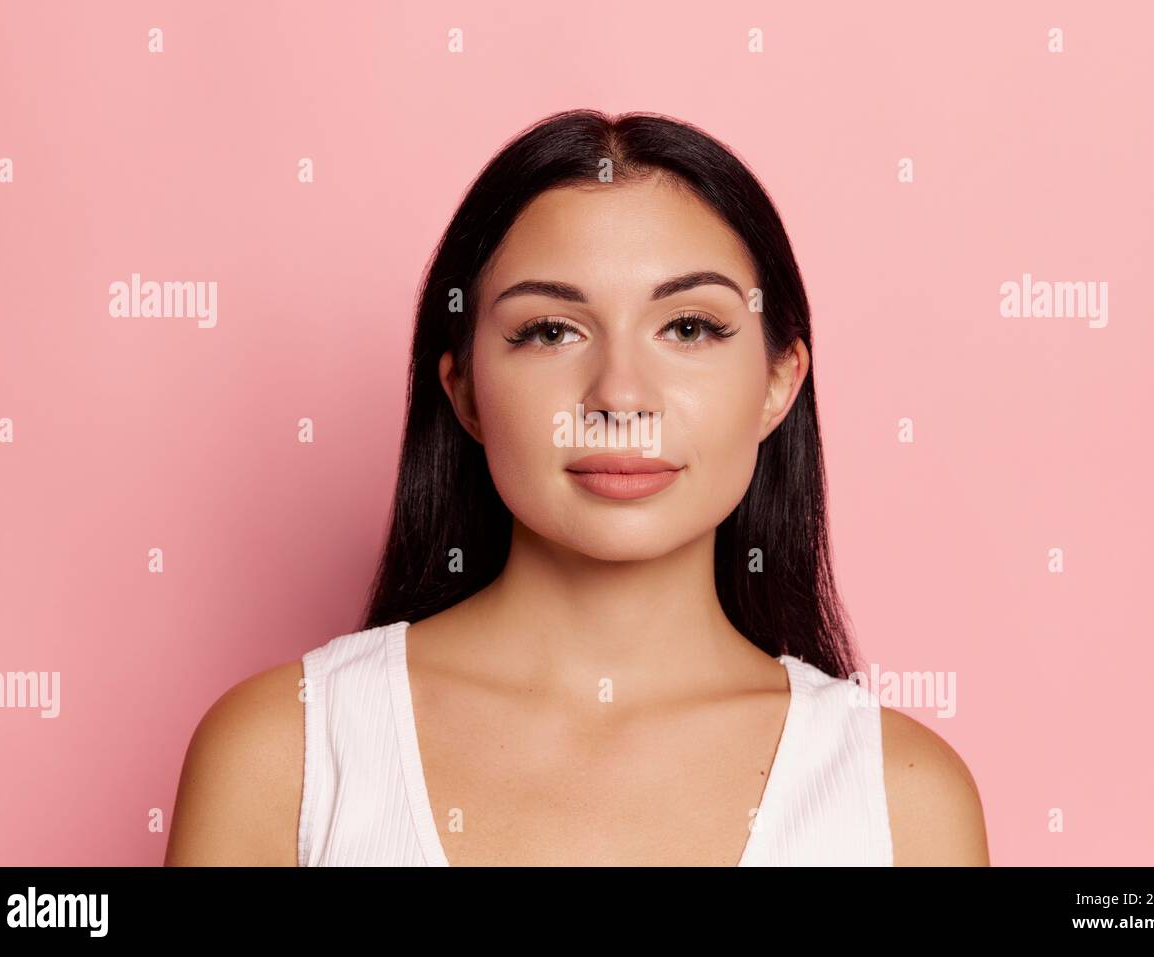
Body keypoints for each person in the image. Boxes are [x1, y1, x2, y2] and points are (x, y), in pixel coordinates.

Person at [165, 109, 989, 867]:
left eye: (690, 327)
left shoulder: (903, 804)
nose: (620, 396)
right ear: (464, 391)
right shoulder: (285, 756)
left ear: (780, 381)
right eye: (550, 331)